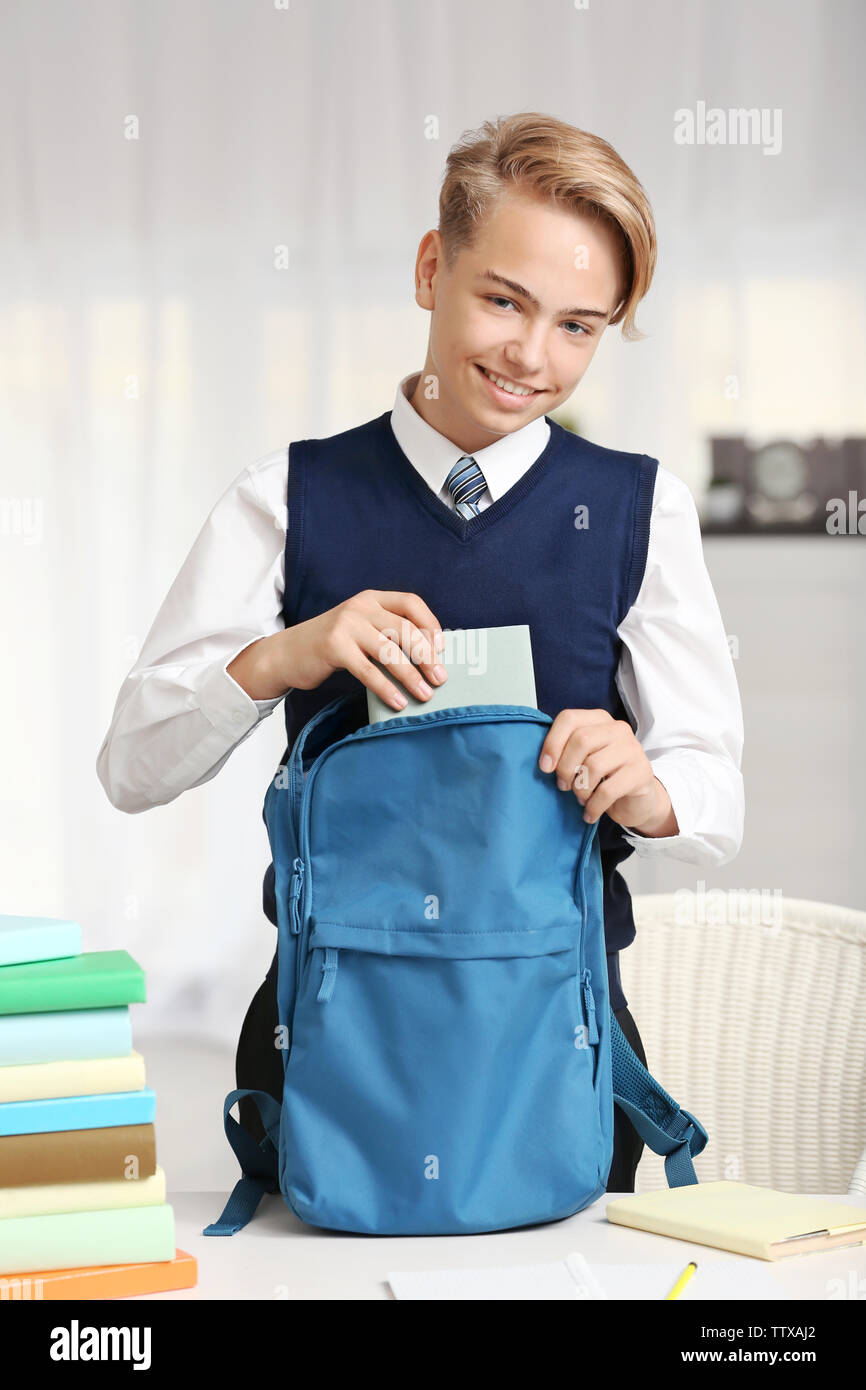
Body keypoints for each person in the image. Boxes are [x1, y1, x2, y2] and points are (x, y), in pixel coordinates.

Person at [96, 111, 744, 1194]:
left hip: (562, 1043)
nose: (532, 356)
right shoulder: (287, 497)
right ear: (429, 267)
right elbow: (131, 769)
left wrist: (646, 785)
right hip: (330, 1040)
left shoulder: (638, 508)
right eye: (503, 300)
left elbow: (711, 795)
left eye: (578, 327)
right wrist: (284, 654)